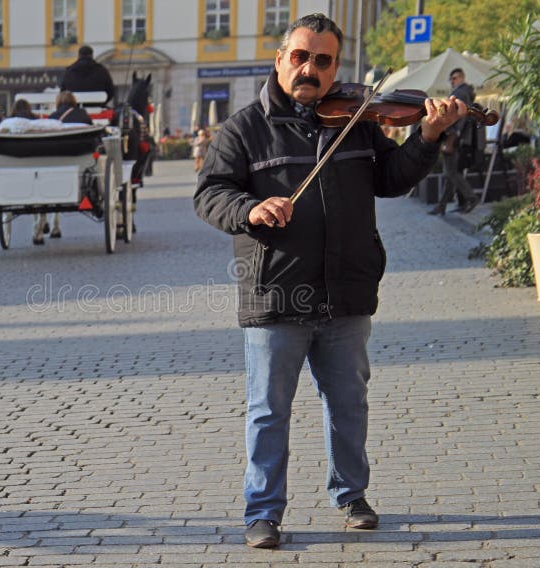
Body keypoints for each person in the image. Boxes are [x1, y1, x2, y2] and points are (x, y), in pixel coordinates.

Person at [193, 13, 465, 549]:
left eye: (322, 60)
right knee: (269, 410)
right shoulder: (243, 128)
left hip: (346, 291)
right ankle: (263, 512)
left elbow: (391, 178)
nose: (310, 69)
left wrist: (428, 134)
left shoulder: (358, 120)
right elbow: (209, 194)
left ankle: (351, 496)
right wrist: (250, 208)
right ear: (280, 59)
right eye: (300, 56)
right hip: (276, 293)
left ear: (336, 65)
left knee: (348, 402)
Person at [428, 68, 479, 215]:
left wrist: (453, 134)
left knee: (450, 171)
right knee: (450, 172)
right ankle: (442, 205)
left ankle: (471, 197)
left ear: (462, 78)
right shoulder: (466, 92)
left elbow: (460, 116)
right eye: (451, 78)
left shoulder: (460, 93)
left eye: (455, 78)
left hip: (454, 138)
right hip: (459, 138)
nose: (452, 80)